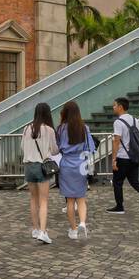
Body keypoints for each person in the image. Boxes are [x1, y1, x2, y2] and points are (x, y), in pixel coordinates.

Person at [108, 97, 139, 218]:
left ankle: (119, 207)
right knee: (135, 182)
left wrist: (113, 159)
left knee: (117, 182)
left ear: (120, 107)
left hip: (122, 157)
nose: (113, 107)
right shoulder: (135, 120)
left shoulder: (118, 122)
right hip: (134, 156)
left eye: (114, 105)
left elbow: (116, 141)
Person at [56, 100, 96, 240]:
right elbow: (91, 148)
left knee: (70, 201)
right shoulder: (84, 128)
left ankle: (73, 229)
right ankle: (83, 223)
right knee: (81, 197)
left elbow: (58, 147)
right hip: (81, 164)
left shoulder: (61, 128)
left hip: (66, 163)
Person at [22, 101, 59, 244]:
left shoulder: (26, 128)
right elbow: (55, 149)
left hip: (28, 166)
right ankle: (43, 232)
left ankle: (36, 228)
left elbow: (22, 147)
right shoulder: (49, 130)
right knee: (43, 200)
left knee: (33, 199)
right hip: (42, 167)